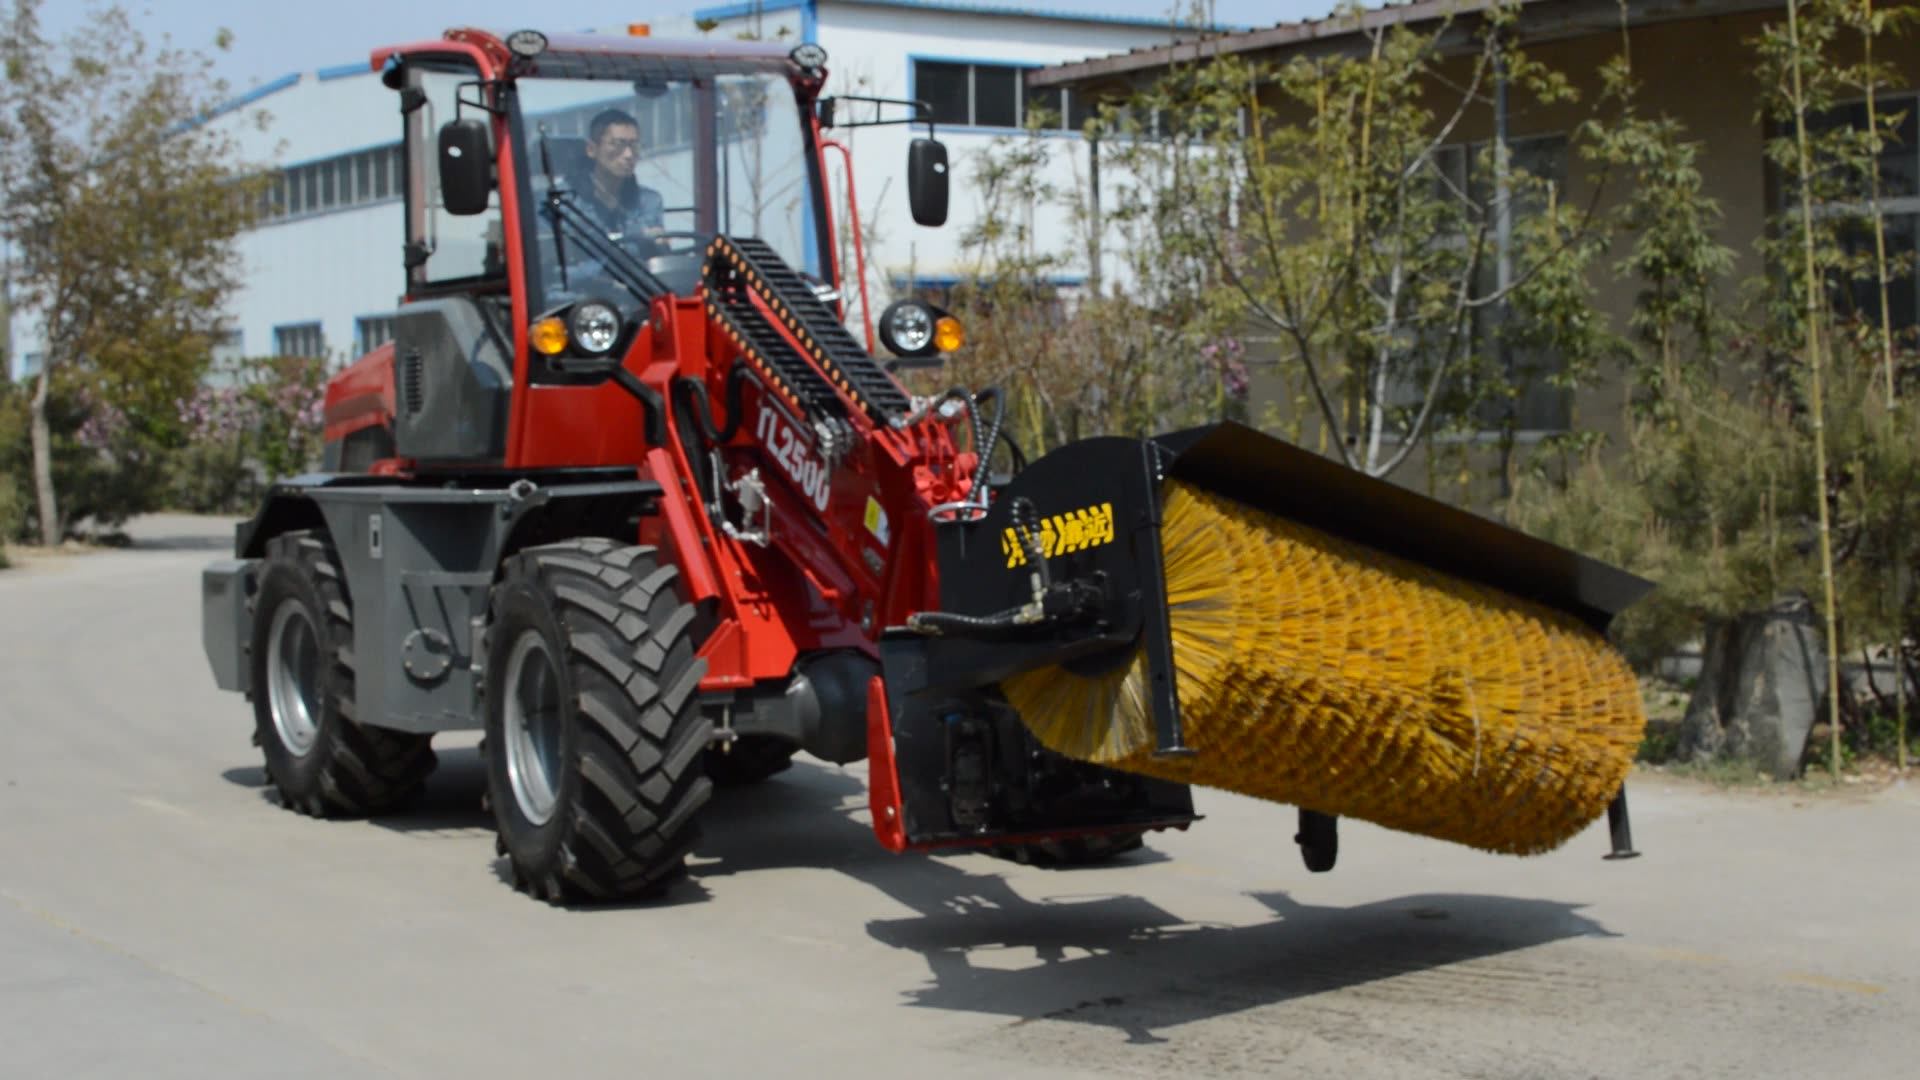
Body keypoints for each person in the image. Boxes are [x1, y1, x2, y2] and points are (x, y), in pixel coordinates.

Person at [564, 108, 666, 244]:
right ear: (592, 149)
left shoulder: (649, 201)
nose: (629, 155)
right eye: (618, 145)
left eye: (634, 146)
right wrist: (639, 235)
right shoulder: (565, 202)